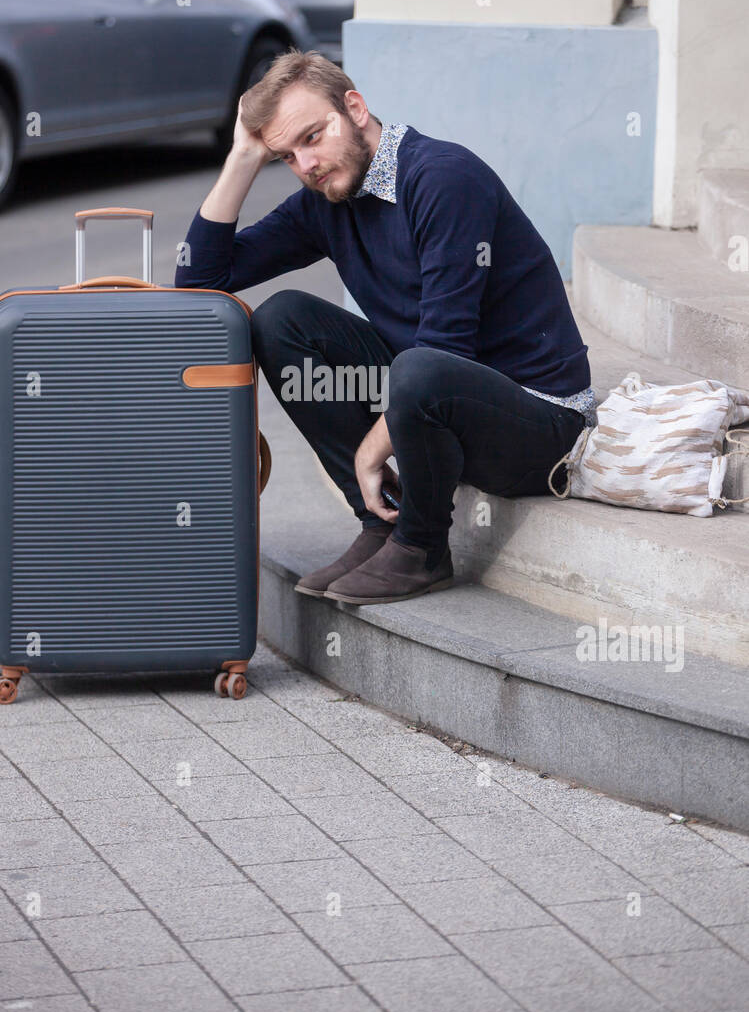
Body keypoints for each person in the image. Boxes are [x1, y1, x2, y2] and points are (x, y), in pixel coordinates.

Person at [175, 51, 596, 607]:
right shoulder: (327, 199)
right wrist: (243, 156)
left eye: (313, 136)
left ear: (354, 106)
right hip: (430, 396)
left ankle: (423, 546)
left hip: (537, 421)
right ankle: (381, 523)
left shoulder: (443, 178)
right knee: (281, 320)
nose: (307, 163)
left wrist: (369, 449)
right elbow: (201, 278)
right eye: (287, 155)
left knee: (420, 366)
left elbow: (445, 346)